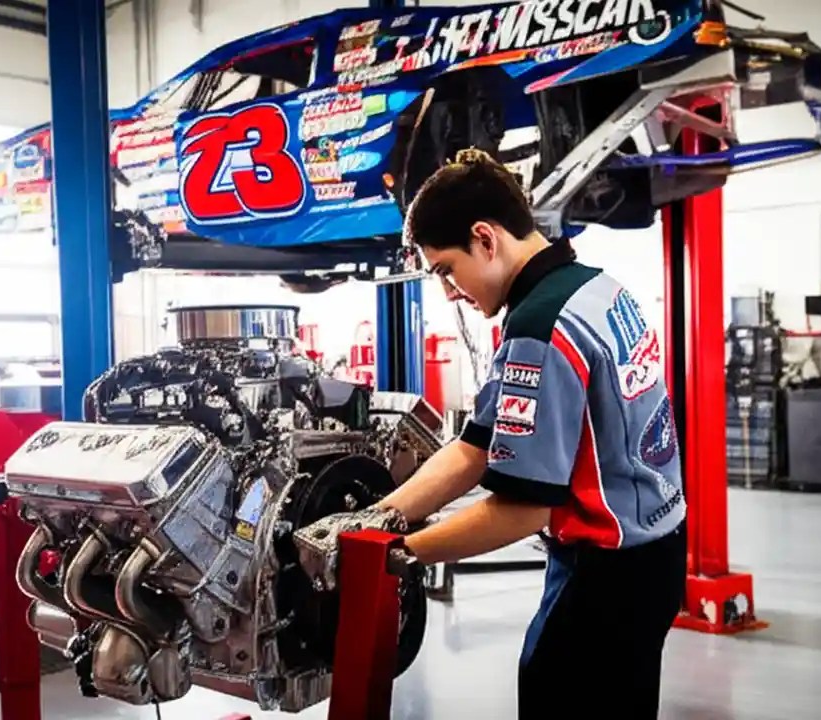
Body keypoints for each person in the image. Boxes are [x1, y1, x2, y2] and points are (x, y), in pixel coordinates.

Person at [294, 149, 687, 718]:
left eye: (446, 270)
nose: (450, 291)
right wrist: (378, 515)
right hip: (657, 550)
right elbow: (474, 447)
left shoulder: (539, 328)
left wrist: (395, 554)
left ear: (485, 238)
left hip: (605, 580)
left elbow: (522, 510)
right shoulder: (595, 289)